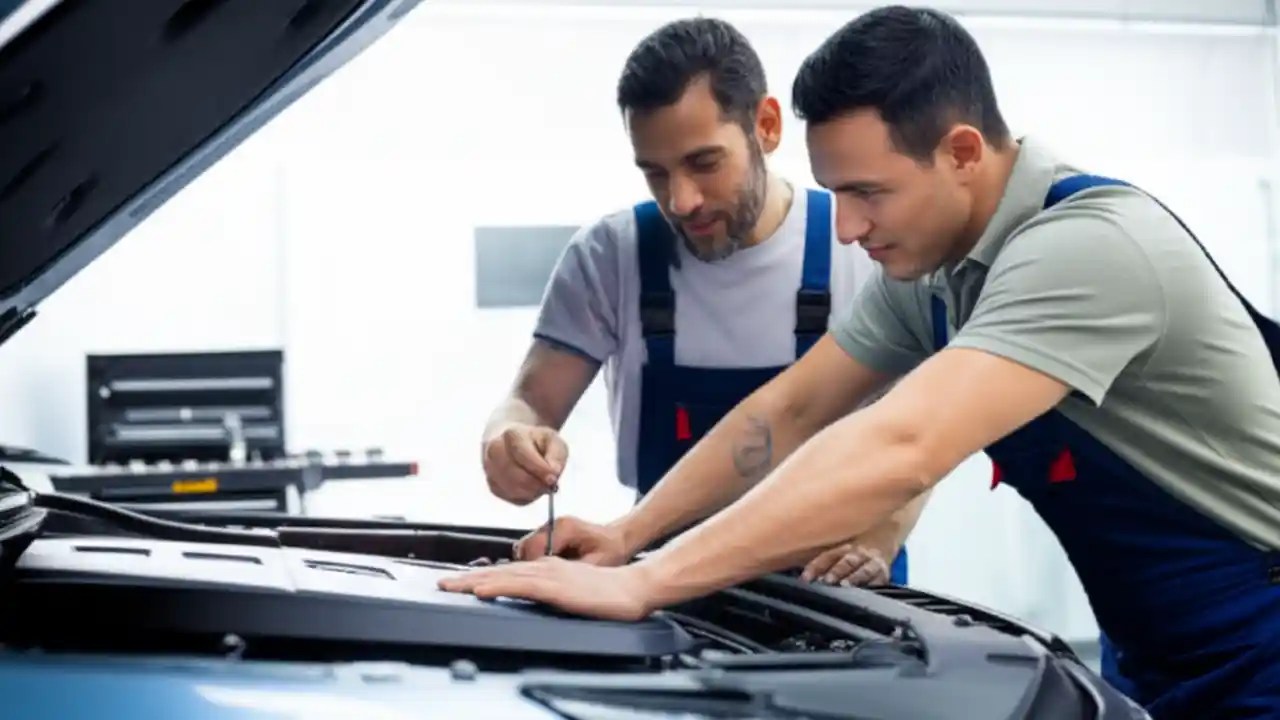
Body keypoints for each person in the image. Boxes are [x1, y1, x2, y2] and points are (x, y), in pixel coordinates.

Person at [448, 6, 1280, 716]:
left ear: (960, 152)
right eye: (835, 193)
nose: (844, 229)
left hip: (1263, 633)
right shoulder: (941, 272)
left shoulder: (1087, 250)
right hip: (1154, 647)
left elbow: (899, 445)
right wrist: (627, 538)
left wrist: (646, 583)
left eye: (868, 193)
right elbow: (787, 413)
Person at [479, 16, 929, 588]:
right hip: (663, 586)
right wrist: (507, 440)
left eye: (703, 163)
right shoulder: (611, 256)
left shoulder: (862, 245)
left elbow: (918, 436)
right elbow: (529, 401)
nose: (682, 200)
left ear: (765, 127)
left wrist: (878, 541)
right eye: (655, 173)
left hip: (835, 589)